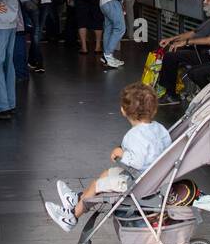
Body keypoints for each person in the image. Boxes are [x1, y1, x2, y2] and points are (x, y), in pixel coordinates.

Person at [43, 83, 171, 230]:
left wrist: (121, 153)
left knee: (98, 185)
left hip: (138, 184)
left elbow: (137, 161)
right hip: (154, 179)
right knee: (107, 174)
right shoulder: (160, 129)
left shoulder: (134, 135)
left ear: (123, 111)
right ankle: (78, 198)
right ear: (154, 109)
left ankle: (72, 217)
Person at [156, 0, 210, 103]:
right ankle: (169, 92)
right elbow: (193, 33)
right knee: (171, 52)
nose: (204, 2)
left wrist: (186, 42)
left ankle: (171, 94)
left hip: (207, 55)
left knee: (171, 56)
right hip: (198, 51)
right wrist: (171, 39)